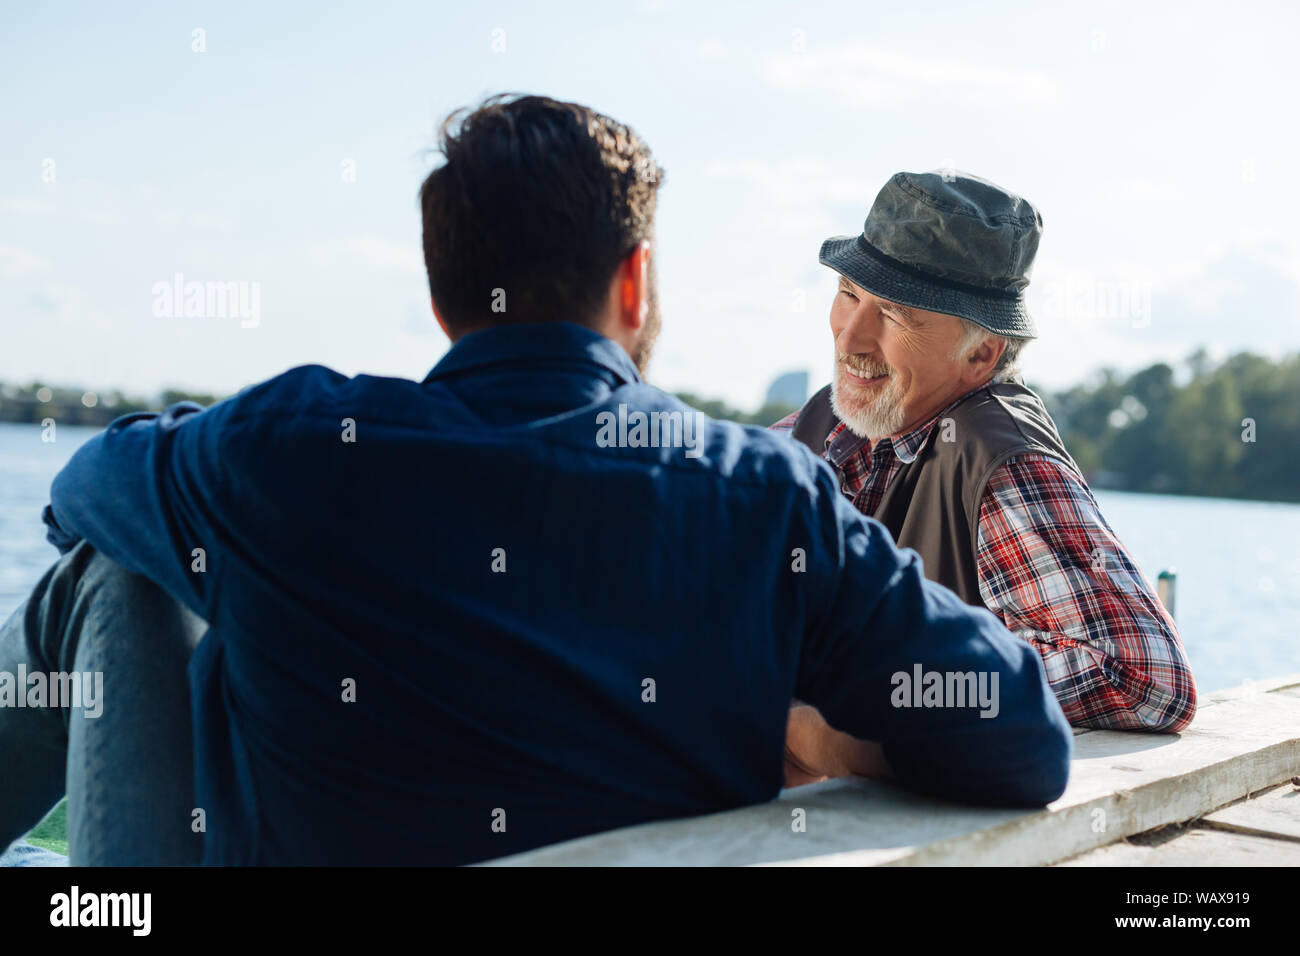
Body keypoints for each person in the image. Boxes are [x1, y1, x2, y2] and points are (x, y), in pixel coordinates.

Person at [0, 99, 1072, 866]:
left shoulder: (285, 449)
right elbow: (1021, 735)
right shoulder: (766, 495)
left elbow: (81, 487)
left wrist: (205, 493)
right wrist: (828, 734)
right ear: (635, 279)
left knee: (117, 566)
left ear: (441, 295)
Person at [774, 170, 1197, 738]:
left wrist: (889, 686)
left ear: (981, 355)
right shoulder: (813, 428)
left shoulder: (1001, 461)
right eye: (850, 293)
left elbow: (1144, 679)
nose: (849, 337)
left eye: (894, 314)